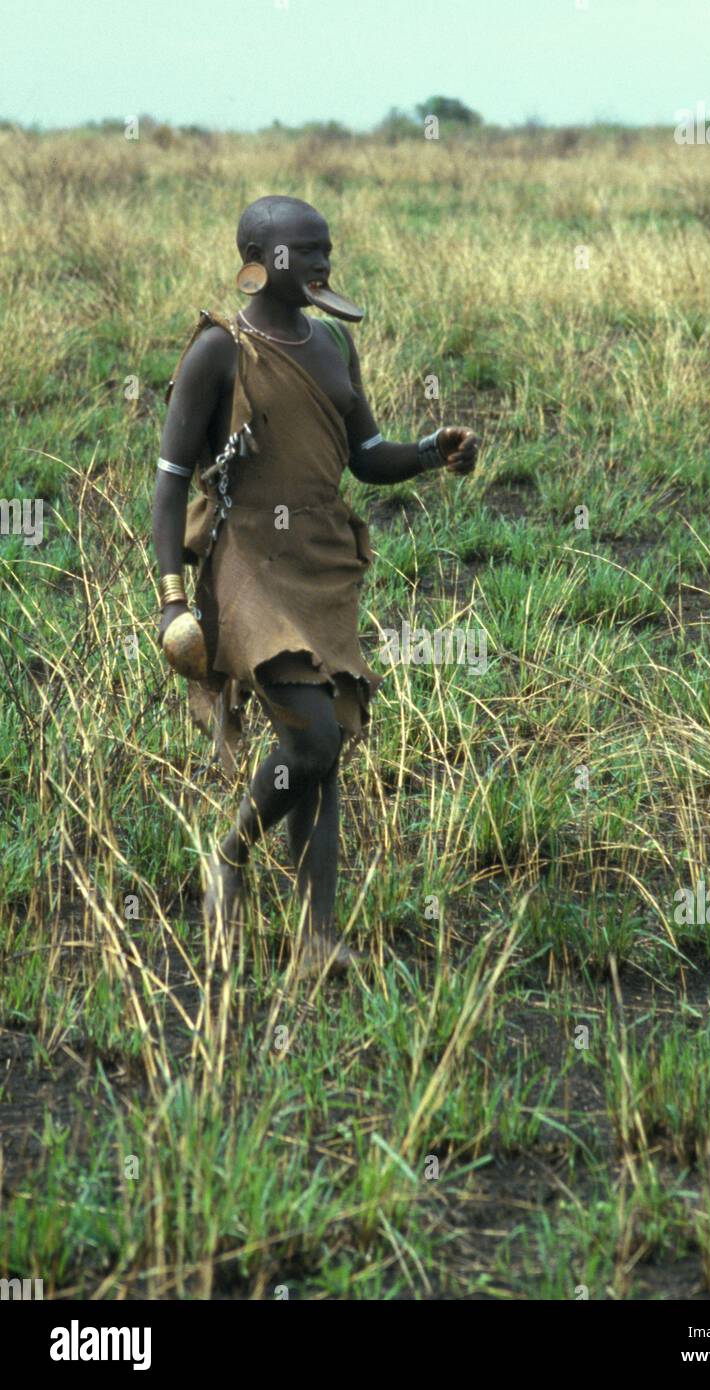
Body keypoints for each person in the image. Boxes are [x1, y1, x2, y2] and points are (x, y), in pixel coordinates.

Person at [151, 194, 479, 973]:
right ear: (261, 261)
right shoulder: (219, 351)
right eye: (308, 250)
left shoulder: (332, 343)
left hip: (323, 564)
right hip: (248, 564)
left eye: (328, 247)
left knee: (324, 750)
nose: (325, 261)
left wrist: (434, 450)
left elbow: (366, 457)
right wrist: (169, 599)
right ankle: (231, 854)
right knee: (315, 735)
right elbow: (168, 484)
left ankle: (316, 940)